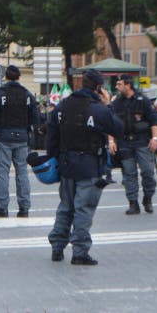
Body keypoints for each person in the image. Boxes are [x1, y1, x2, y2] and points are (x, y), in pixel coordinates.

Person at [47, 69, 123, 266]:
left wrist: (54, 158)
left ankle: (57, 246)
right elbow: (117, 128)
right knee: (84, 209)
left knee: (65, 207)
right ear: (99, 88)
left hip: (66, 163)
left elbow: (51, 134)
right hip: (89, 165)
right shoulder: (98, 109)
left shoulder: (63, 105)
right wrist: (109, 104)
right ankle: (79, 251)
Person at [0, 65, 39, 217]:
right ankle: (24, 208)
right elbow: (36, 118)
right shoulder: (27, 94)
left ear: (5, 77)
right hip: (22, 138)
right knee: (22, 173)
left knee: (2, 174)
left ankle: (2, 207)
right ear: (19, 77)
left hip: (3, 137)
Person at [112, 74, 157, 215]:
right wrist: (111, 141)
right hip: (125, 142)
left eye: (119, 84)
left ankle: (148, 198)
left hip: (142, 141)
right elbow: (111, 122)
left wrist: (155, 138)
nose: (117, 86)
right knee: (129, 174)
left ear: (128, 85)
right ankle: (133, 203)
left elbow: (153, 120)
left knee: (148, 172)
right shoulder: (117, 103)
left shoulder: (143, 101)